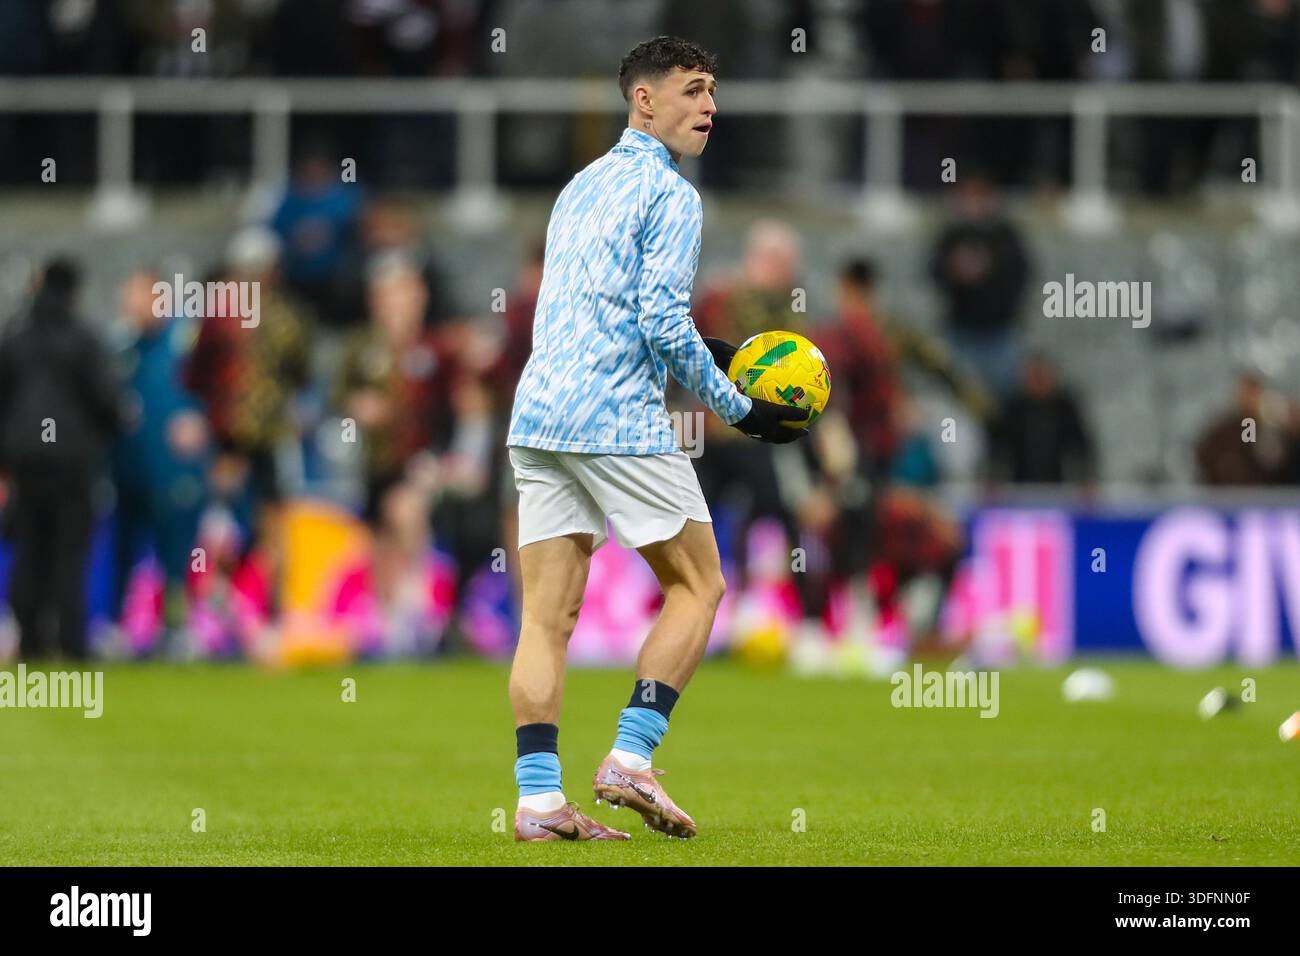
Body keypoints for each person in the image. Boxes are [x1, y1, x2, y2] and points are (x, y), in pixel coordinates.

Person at [503, 36, 807, 842]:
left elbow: (594, 307)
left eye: (713, 91)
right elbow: (660, 321)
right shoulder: (674, 197)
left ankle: (537, 803)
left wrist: (709, 355)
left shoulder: (579, 187)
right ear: (646, 100)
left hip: (538, 417)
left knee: (546, 618)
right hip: (613, 419)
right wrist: (736, 407)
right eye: (694, 89)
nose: (710, 106)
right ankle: (631, 758)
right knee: (700, 586)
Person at [0, 259, 120, 660]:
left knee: (29, 550)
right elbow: (107, 402)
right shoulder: (83, 338)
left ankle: (30, 640)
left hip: (24, 462)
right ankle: (72, 642)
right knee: (71, 552)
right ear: (73, 290)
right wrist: (102, 434)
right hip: (72, 462)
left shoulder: (15, 336)